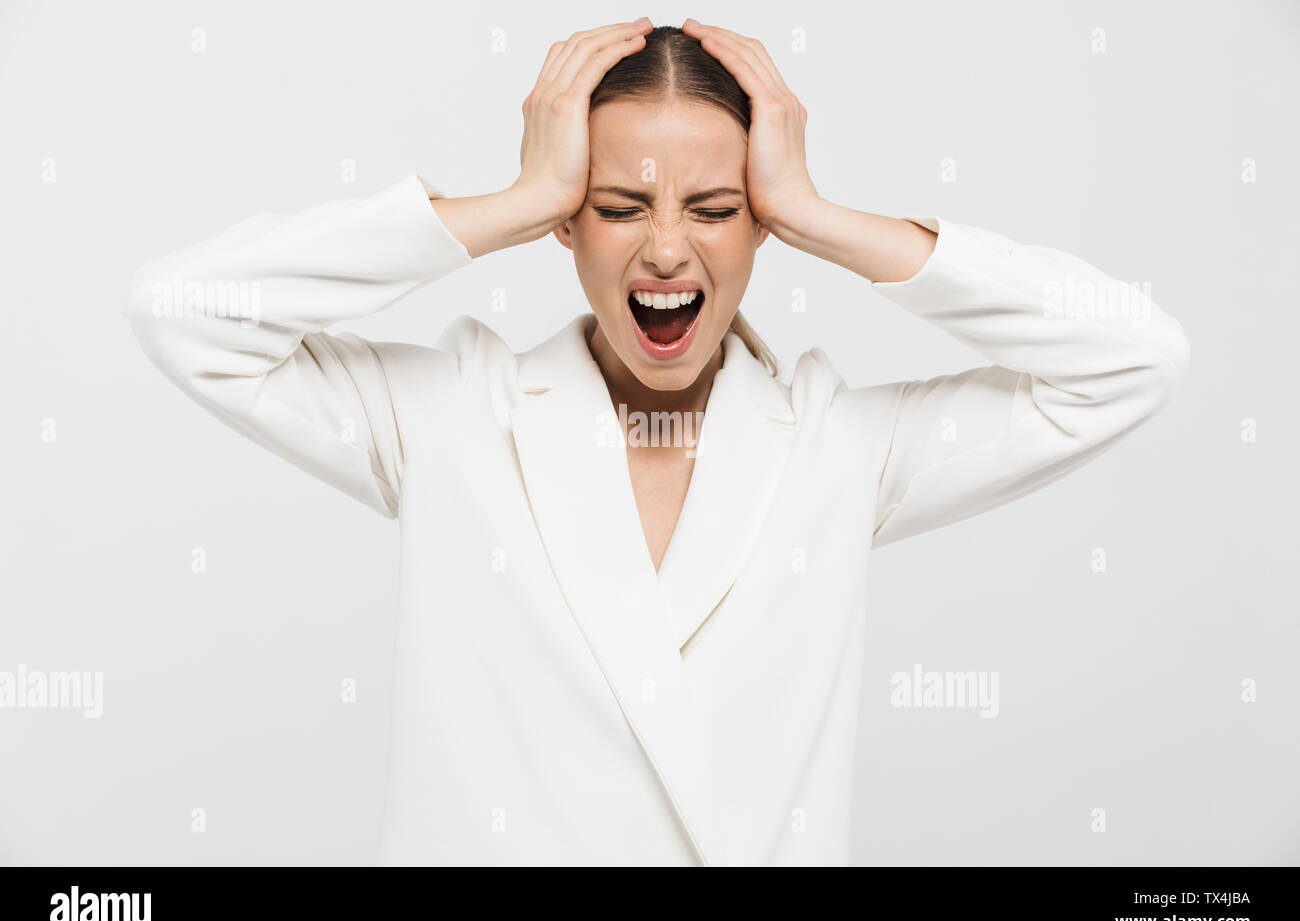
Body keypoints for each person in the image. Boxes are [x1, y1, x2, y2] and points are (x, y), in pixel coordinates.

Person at [123, 18, 1190, 865]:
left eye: (718, 208)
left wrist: (818, 212)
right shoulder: (449, 414)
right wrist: (514, 197)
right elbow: (182, 309)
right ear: (567, 224)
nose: (669, 246)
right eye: (619, 204)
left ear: (762, 223)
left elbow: (1132, 354)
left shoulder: (838, 444)